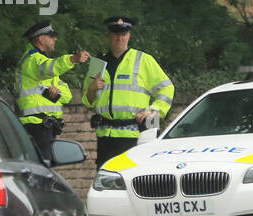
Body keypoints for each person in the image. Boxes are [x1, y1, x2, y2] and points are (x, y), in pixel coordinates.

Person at [83, 15, 174, 166]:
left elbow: (167, 87)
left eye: (123, 34)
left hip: (135, 134)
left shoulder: (143, 59)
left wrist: (153, 110)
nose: (119, 38)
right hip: (105, 136)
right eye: (115, 34)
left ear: (129, 36)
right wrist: (92, 89)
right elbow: (88, 101)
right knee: (107, 181)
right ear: (109, 35)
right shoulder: (98, 63)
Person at [15, 21, 89, 163]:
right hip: (35, 127)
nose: (55, 39)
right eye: (51, 36)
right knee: (42, 170)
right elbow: (51, 68)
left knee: (46, 170)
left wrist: (59, 91)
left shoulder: (44, 64)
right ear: (41, 39)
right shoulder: (32, 61)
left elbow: (67, 96)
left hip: (46, 127)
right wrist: (73, 59)